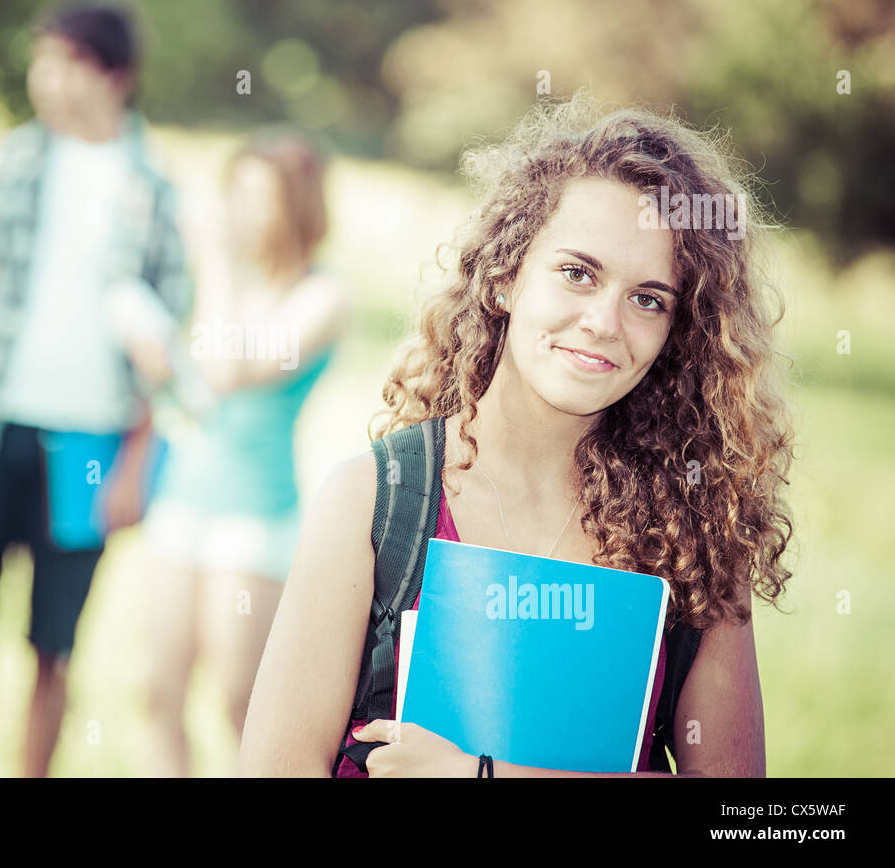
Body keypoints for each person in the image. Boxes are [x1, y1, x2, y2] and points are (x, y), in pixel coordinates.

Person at [239, 92, 797, 777]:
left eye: (647, 298)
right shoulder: (376, 500)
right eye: (576, 273)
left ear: (676, 333)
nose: (603, 320)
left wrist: (482, 774)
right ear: (506, 274)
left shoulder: (697, 533)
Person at [0, 0, 191, 778]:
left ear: (117, 75)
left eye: (69, 62)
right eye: (42, 60)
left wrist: (140, 461)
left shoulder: (157, 189)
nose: (49, 79)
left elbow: (169, 339)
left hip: (90, 448)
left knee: (54, 647)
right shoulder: (0, 164)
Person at [139, 129, 348, 777]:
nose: (241, 210)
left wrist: (210, 258)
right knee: (155, 692)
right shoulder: (231, 283)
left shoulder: (322, 296)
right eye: (235, 193)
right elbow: (190, 391)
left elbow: (229, 367)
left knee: (241, 704)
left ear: (300, 206)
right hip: (180, 502)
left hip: (252, 520)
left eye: (260, 196)